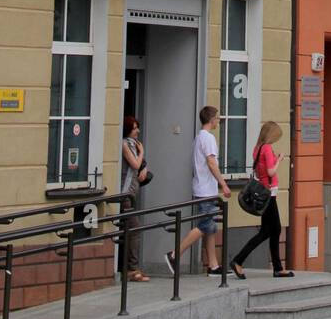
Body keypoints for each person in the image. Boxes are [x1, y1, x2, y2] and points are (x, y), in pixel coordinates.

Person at [165, 106, 231, 277]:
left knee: (210, 227)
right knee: (204, 226)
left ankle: (213, 266)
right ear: (211, 120)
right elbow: (211, 163)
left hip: (202, 187)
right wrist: (223, 184)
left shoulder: (198, 138)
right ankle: (173, 255)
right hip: (206, 189)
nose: (218, 121)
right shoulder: (208, 138)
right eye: (217, 118)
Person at [230, 122, 294, 280]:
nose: (276, 140)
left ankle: (277, 268)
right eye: (276, 136)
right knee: (268, 231)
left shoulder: (257, 148)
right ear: (271, 134)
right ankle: (238, 260)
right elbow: (271, 171)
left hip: (265, 193)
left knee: (273, 230)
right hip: (268, 194)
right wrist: (279, 159)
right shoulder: (266, 148)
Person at [120, 114, 150, 282]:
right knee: (134, 228)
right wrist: (142, 153)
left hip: (132, 192)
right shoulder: (125, 145)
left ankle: (131, 268)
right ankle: (132, 269)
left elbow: (142, 165)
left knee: (131, 229)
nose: (138, 130)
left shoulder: (134, 145)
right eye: (135, 128)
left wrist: (144, 166)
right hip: (125, 193)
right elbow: (135, 164)